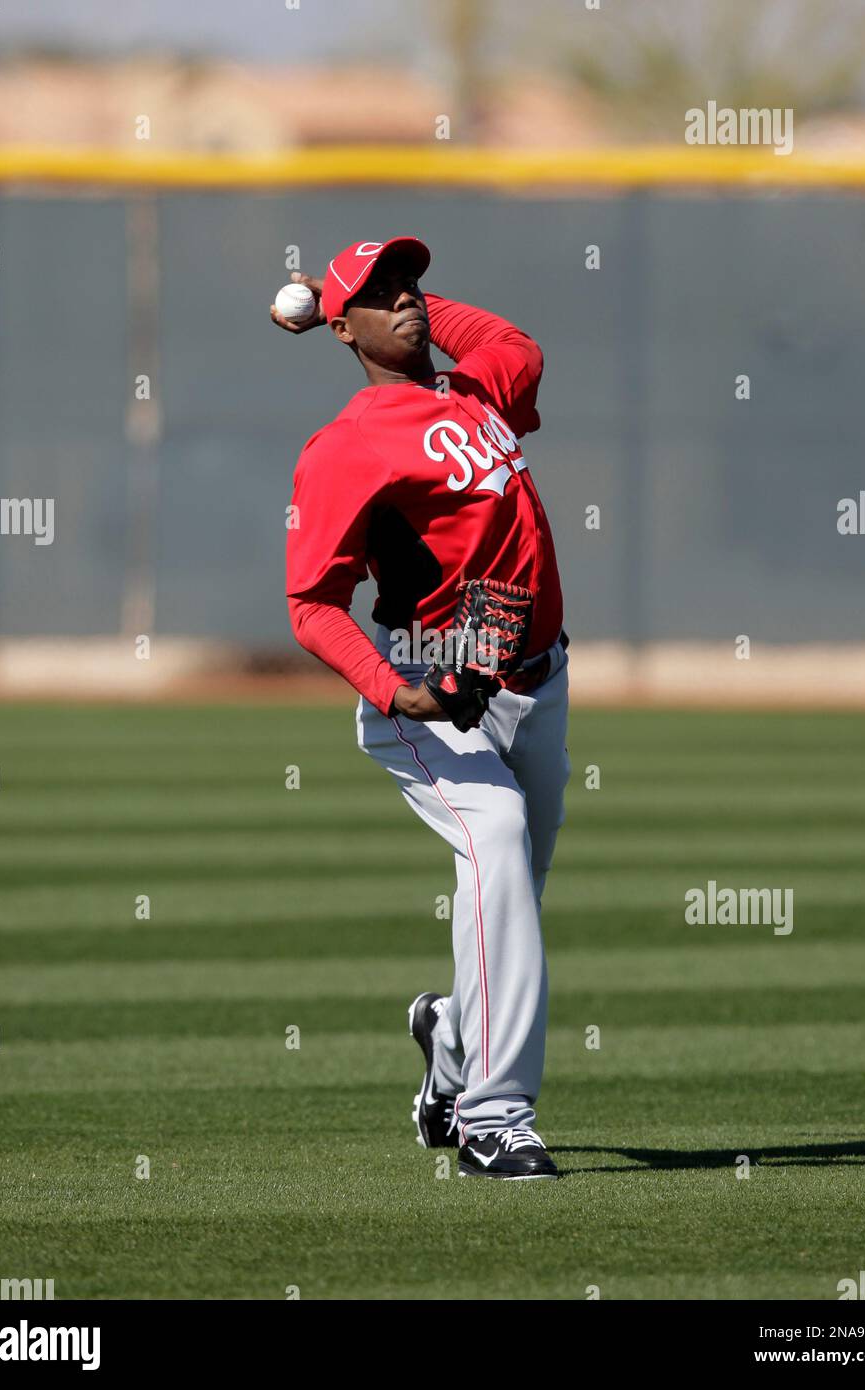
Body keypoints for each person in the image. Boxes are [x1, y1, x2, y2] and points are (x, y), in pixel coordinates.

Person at [276, 237, 570, 1180]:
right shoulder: (346, 446)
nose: (405, 299)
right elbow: (312, 603)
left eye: (411, 284)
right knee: (495, 839)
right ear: (342, 329)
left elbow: (515, 340)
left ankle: (450, 1039)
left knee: (510, 891)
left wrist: (408, 303)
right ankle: (494, 1118)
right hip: (429, 688)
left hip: (536, 680)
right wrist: (395, 690)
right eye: (380, 293)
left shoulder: (478, 395)